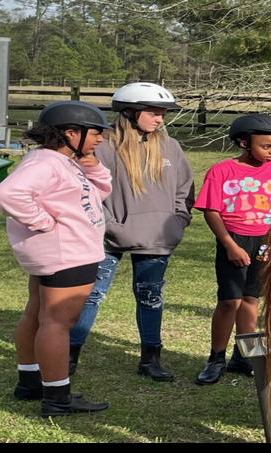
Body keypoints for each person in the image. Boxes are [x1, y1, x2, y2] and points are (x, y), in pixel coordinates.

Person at [0, 101, 114, 416]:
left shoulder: (62, 161)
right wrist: (43, 222)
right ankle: (57, 397)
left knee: (37, 314)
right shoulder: (46, 162)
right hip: (67, 252)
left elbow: (98, 193)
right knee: (58, 322)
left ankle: (30, 383)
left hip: (62, 251)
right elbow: (8, 194)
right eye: (96, 133)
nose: (100, 139)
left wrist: (92, 165)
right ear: (71, 133)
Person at [68, 81, 194, 382]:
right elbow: (84, 191)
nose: (160, 118)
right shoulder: (103, 147)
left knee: (150, 296)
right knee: (91, 295)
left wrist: (177, 221)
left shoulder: (170, 147)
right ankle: (69, 355)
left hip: (157, 238)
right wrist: (107, 225)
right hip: (107, 238)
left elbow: (184, 190)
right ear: (129, 112)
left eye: (162, 112)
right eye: (153, 112)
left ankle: (151, 359)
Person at [191, 113, 271, 384]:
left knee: (251, 299)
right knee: (230, 300)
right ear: (243, 143)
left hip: (267, 241)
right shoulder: (222, 171)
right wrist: (229, 245)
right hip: (235, 240)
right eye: (266, 146)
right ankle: (215, 358)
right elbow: (211, 211)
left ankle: (244, 356)